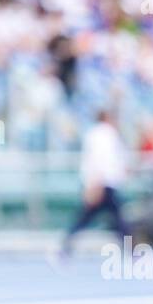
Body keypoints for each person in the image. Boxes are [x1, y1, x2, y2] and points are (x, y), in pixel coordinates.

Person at [62, 109, 130, 254]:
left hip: (100, 183)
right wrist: (96, 183)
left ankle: (66, 245)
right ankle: (133, 250)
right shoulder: (104, 134)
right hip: (102, 184)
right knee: (113, 218)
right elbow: (99, 159)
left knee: (111, 219)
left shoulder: (94, 133)